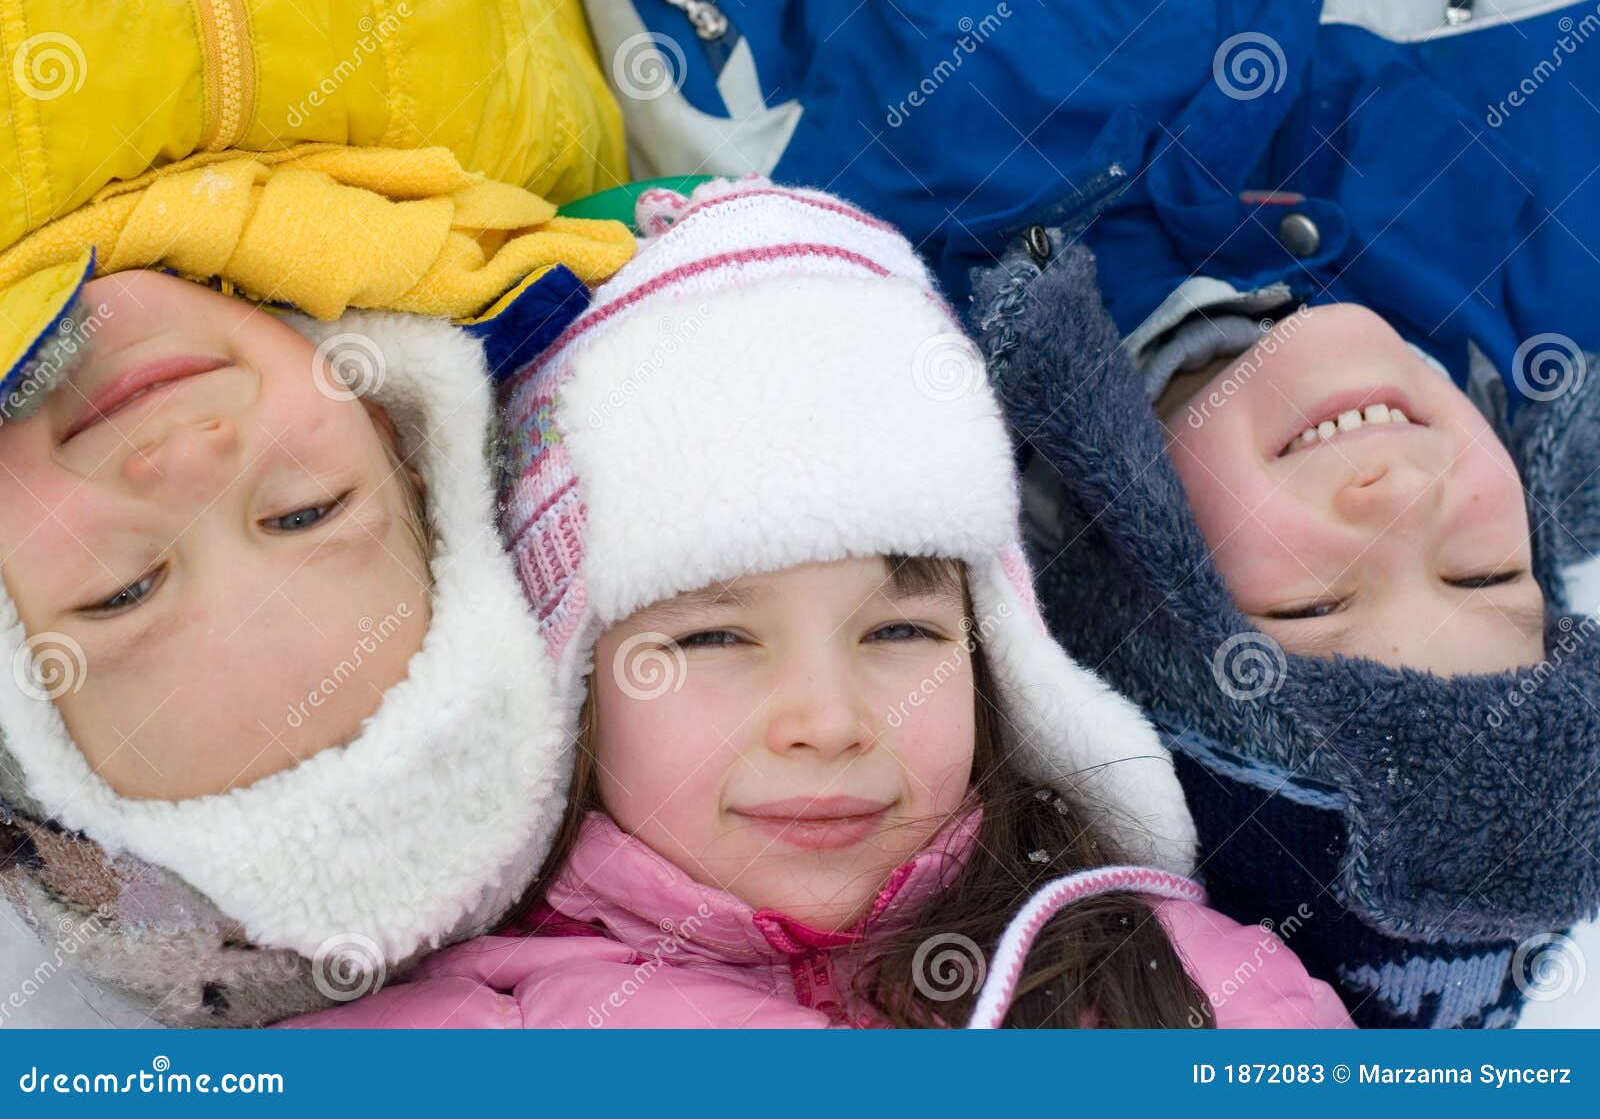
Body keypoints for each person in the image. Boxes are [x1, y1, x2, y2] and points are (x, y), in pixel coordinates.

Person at [284, 178, 1352, 1028]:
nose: (831, 720)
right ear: (571, 680)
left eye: (900, 630)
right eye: (714, 634)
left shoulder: (1202, 993)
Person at [0, 0, 634, 1027]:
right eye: (303, 512)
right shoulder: (514, 159)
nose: (185, 460)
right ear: (397, 434)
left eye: (123, 590)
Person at [969, 231, 1600, 1026]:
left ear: (1140, 591)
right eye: (1484, 575)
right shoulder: (1550, 255)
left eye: (1315, 606)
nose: (1402, 495)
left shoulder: (935, 310)